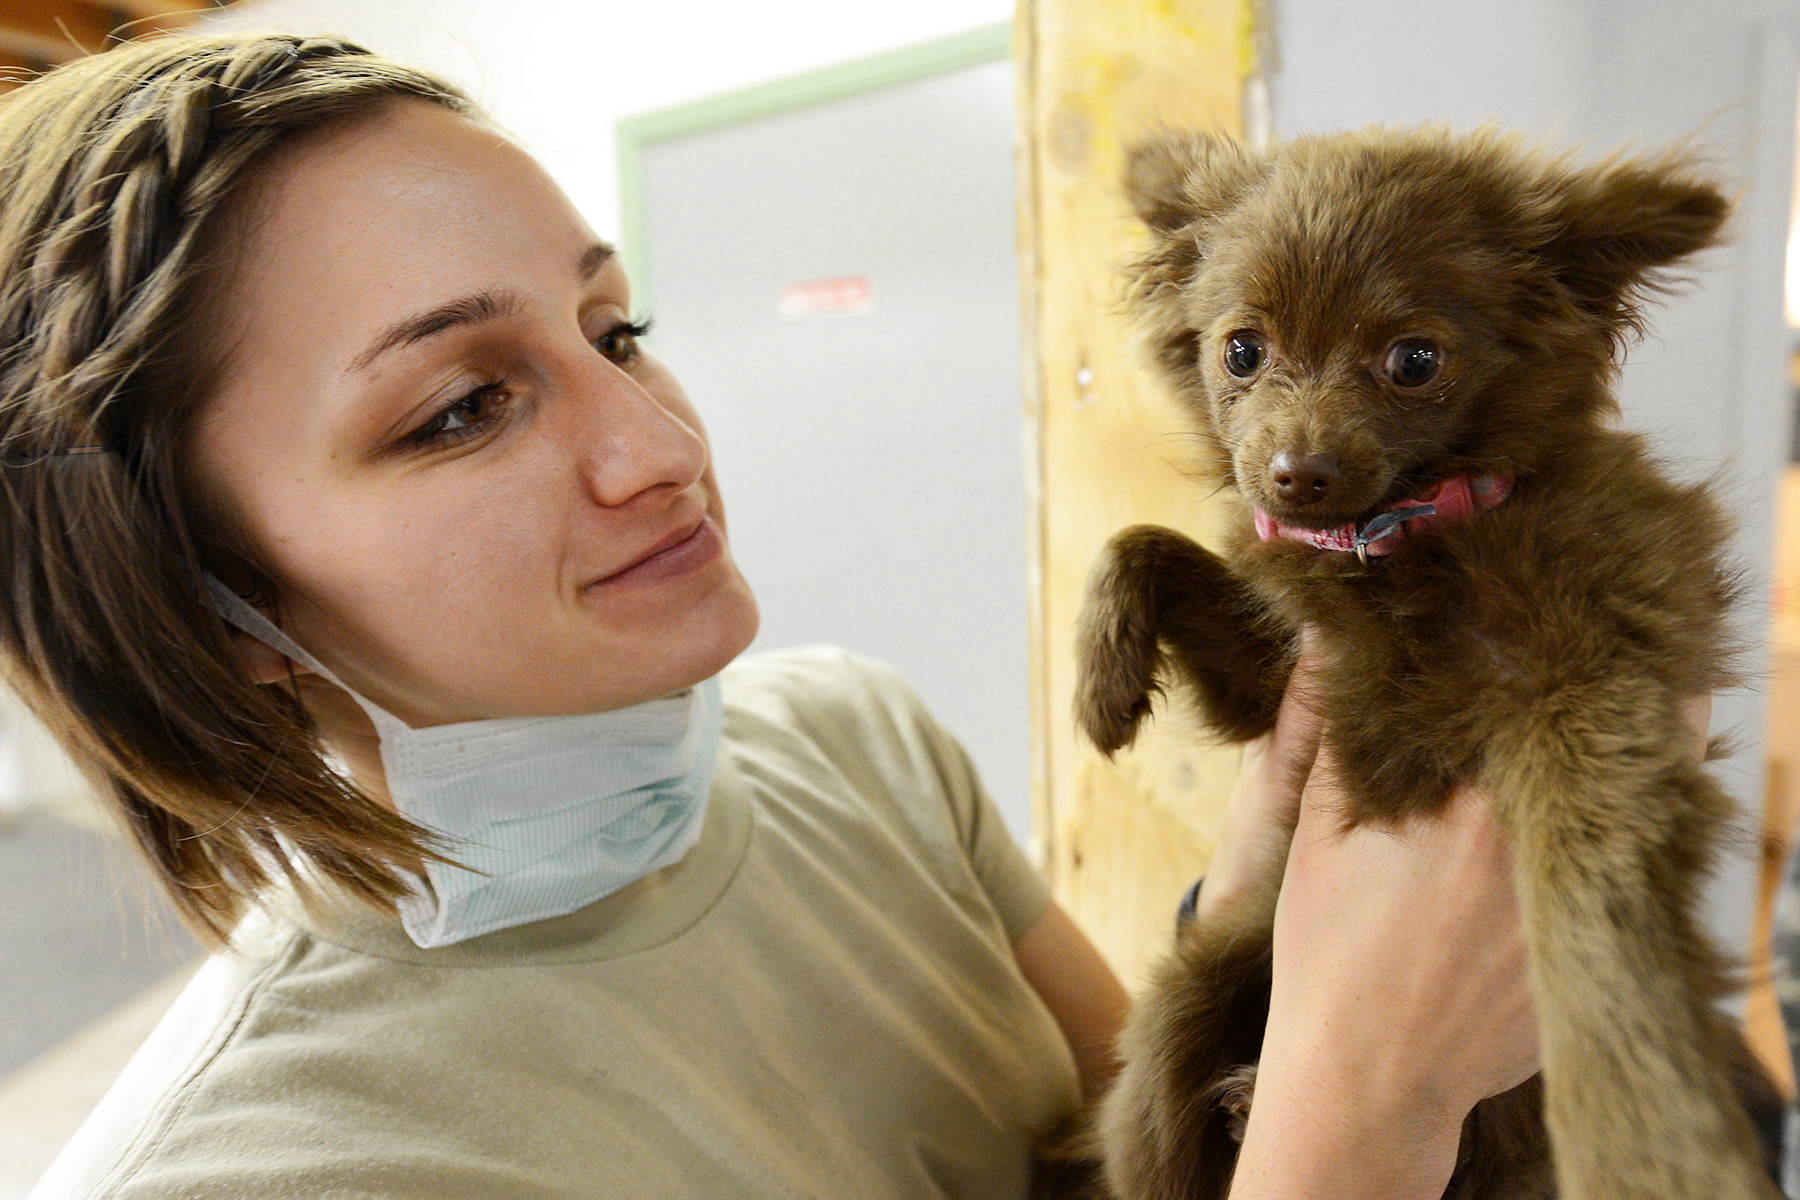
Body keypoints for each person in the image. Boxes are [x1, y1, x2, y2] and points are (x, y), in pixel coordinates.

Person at [2, 32, 1538, 1200]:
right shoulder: (268, 1167)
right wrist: (1369, 1105)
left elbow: (1132, 1161)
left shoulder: (854, 742)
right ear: (201, 619)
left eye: (620, 331)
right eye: (465, 407)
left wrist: (1258, 926)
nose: (663, 448)